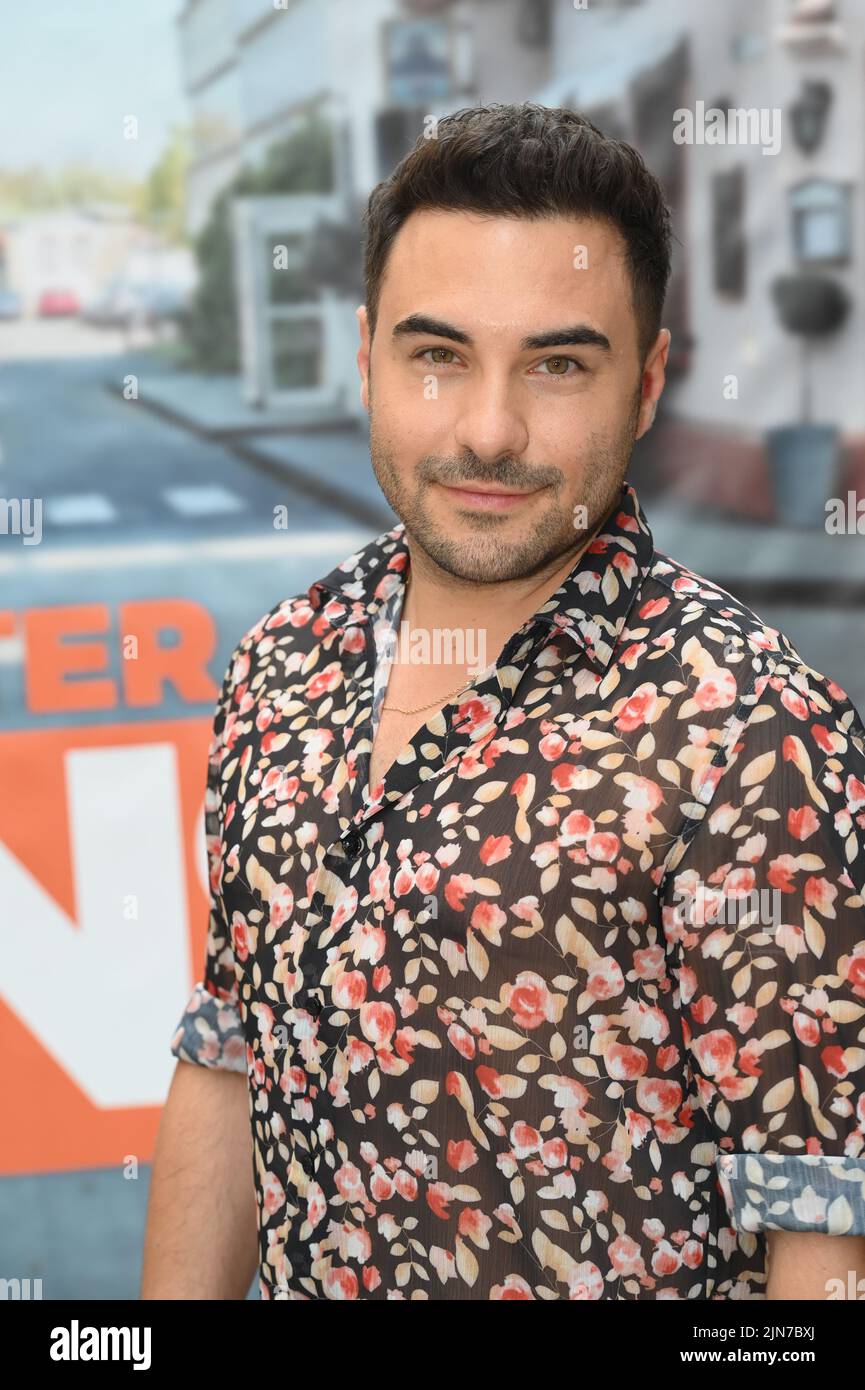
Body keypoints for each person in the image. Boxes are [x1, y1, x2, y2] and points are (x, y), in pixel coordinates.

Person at [141, 102, 865, 1301]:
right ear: (367, 353)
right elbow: (226, 1062)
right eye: (438, 356)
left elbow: (825, 1220)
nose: (490, 430)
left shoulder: (754, 729)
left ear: (647, 384)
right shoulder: (278, 664)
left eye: (558, 364)